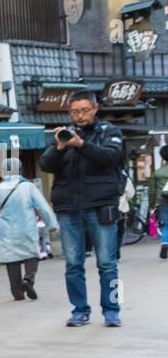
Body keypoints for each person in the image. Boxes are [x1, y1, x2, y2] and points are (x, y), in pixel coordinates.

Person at [38, 90, 125, 327]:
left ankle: (112, 310)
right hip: (69, 208)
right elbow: (45, 164)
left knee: (108, 263)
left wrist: (82, 144)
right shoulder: (65, 135)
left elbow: (111, 157)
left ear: (95, 109)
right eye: (74, 111)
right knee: (73, 265)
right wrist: (59, 146)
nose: (79, 115)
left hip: (101, 205)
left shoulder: (109, 132)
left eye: (84, 110)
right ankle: (79, 310)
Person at [0, 157, 58, 301]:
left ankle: (17, 293)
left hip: (6, 231)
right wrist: (52, 224)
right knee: (32, 254)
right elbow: (42, 207)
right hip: (26, 227)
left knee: (11, 259)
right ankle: (28, 280)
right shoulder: (28, 187)